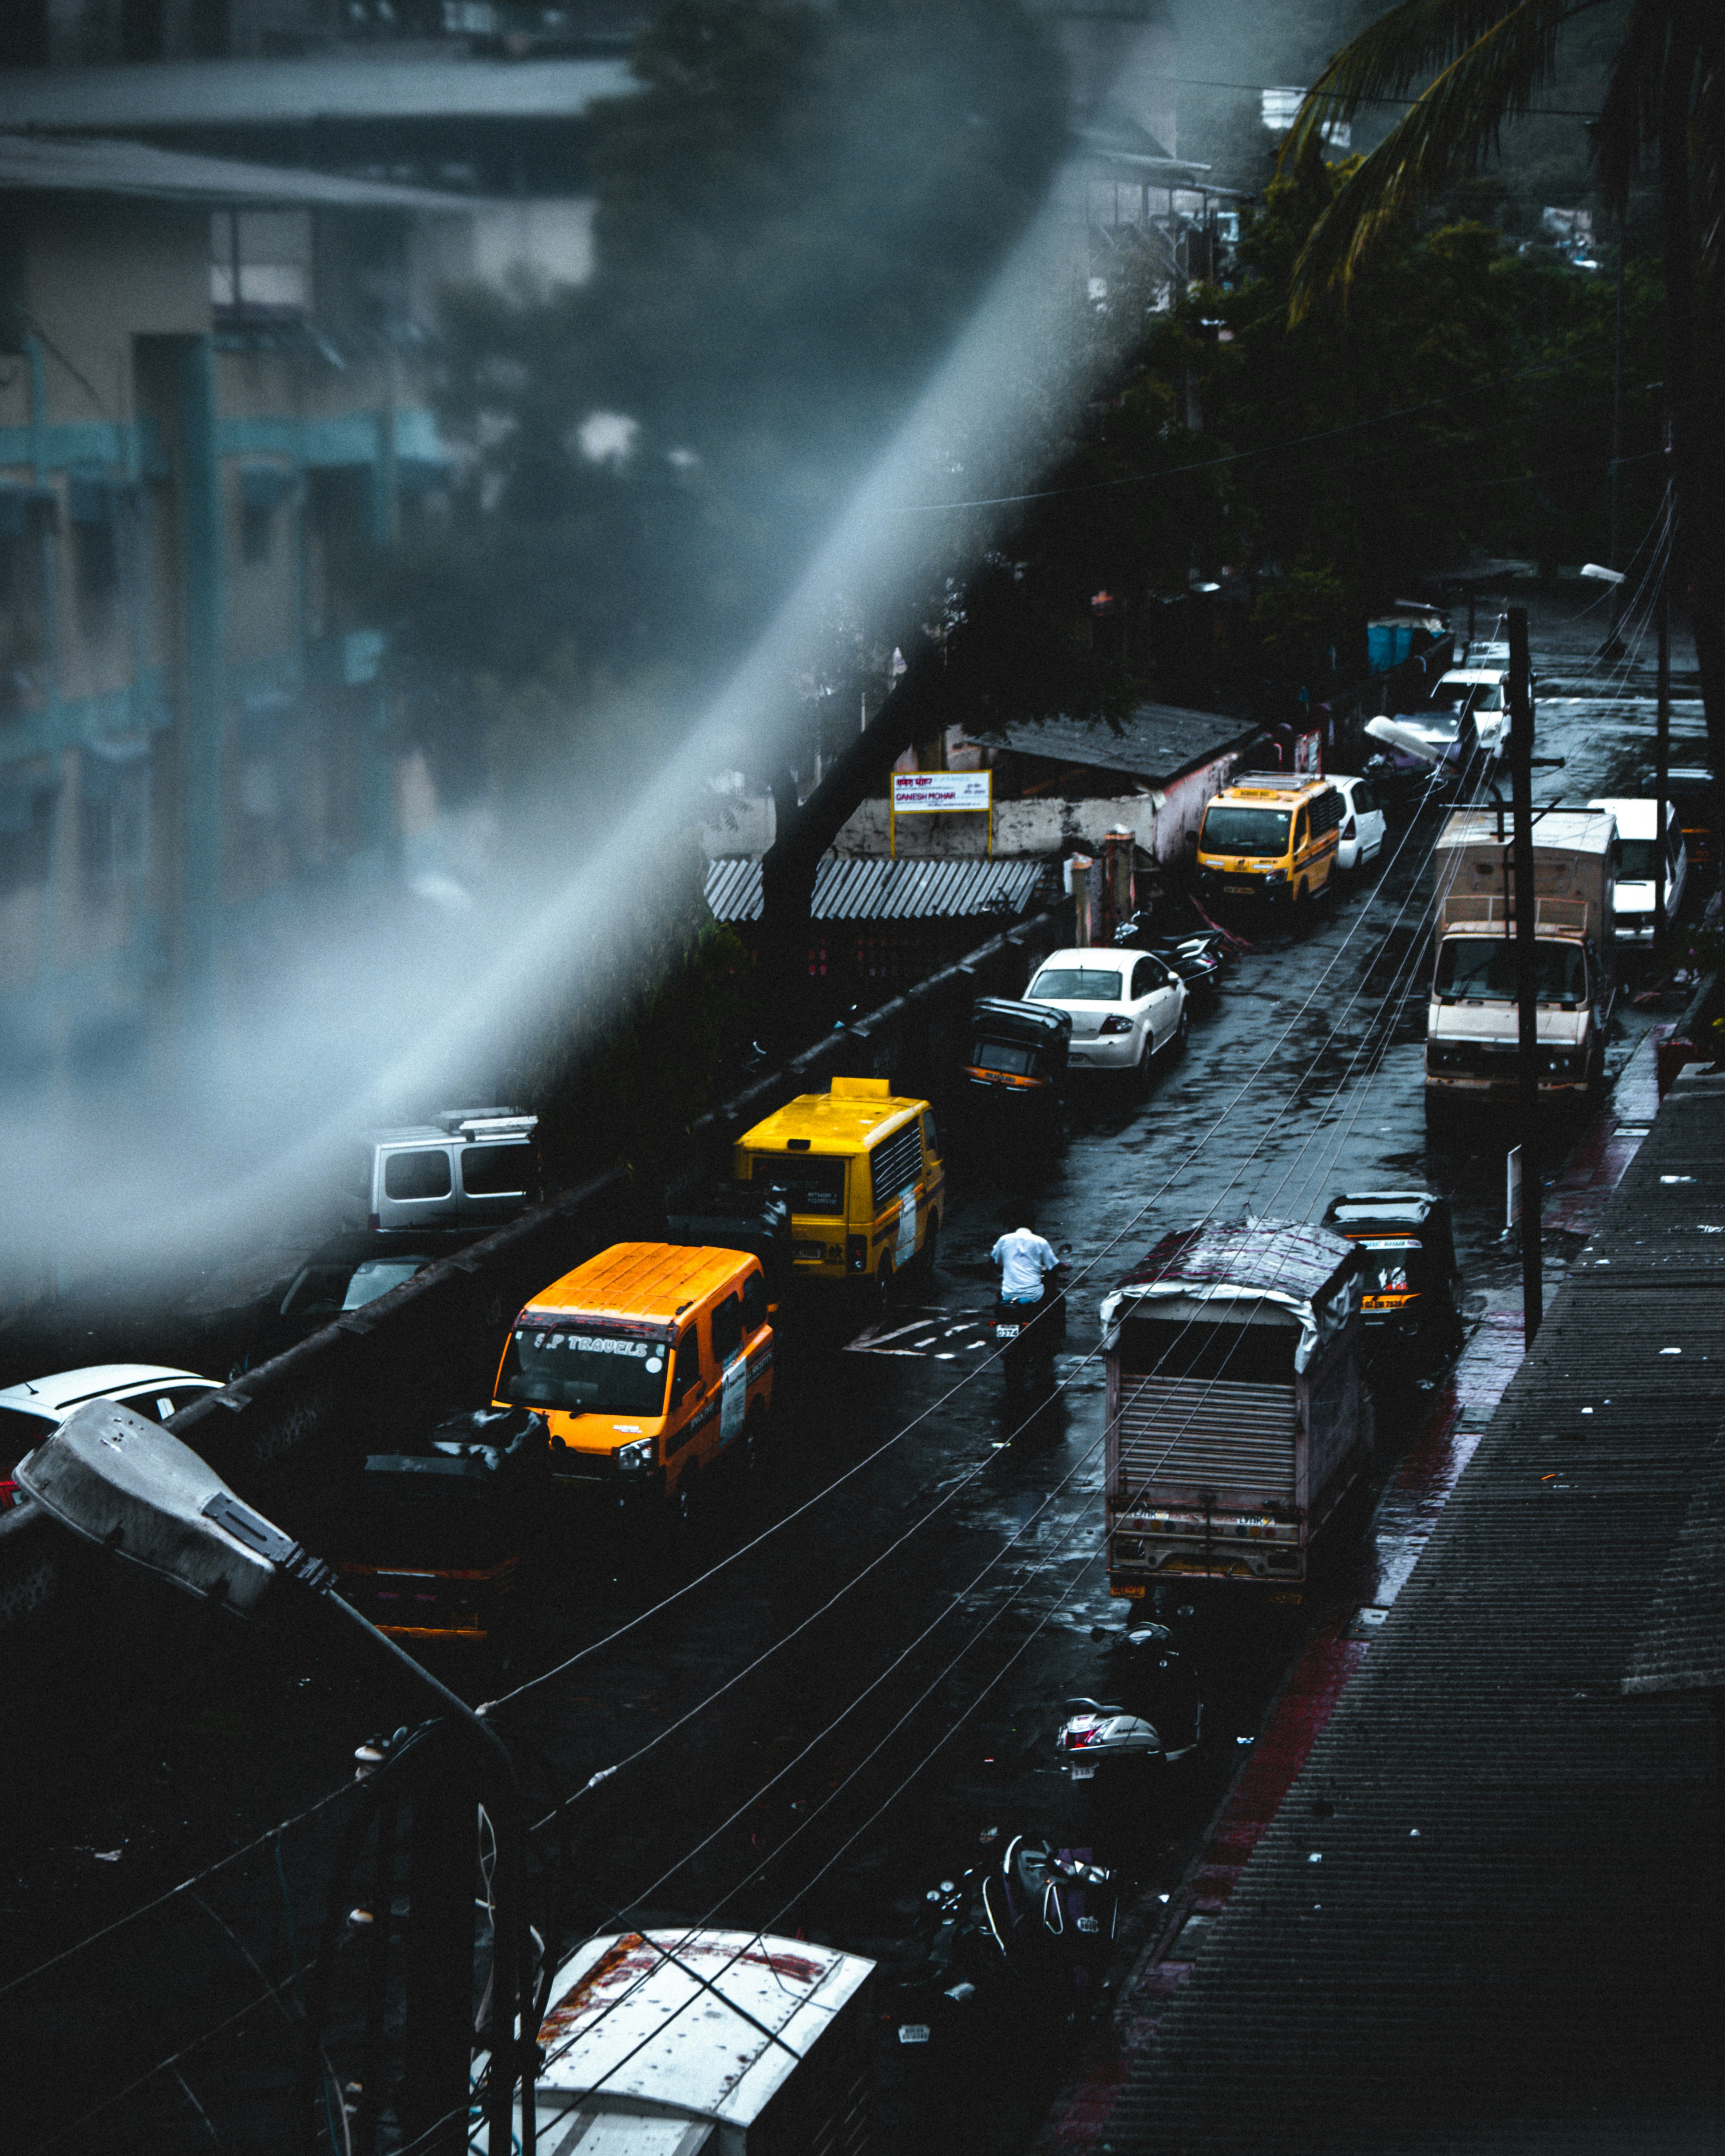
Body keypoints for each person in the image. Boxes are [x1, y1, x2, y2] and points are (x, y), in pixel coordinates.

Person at [991, 1214, 1062, 1305]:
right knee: (1059, 1298)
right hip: (1034, 1295)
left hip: (1008, 1294)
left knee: (1000, 1295)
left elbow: (998, 1264)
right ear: (1032, 1225)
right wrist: (1066, 1266)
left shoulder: (1003, 1240)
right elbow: (1054, 1265)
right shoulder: (1040, 1241)